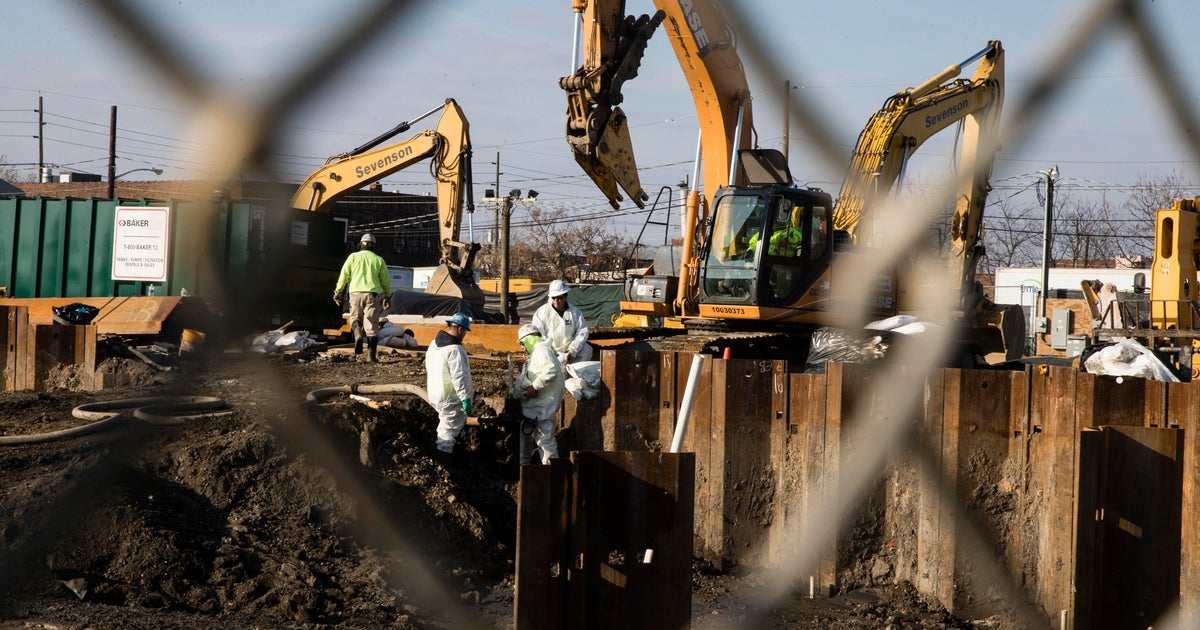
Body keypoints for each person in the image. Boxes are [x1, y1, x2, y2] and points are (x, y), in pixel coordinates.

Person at [333, 233, 391, 363]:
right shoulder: (379, 260)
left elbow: (344, 275)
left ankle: (358, 332)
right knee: (371, 325)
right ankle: (371, 356)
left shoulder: (353, 257)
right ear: (373, 246)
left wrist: (338, 291)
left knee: (354, 317)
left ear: (361, 244)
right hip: (372, 295)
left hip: (355, 294)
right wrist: (388, 296)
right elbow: (385, 281)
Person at [425, 312, 474, 465]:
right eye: (465, 331)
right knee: (448, 434)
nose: (464, 335)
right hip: (451, 397)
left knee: (444, 429)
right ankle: (443, 470)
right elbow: (459, 377)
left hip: (435, 394)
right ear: (460, 329)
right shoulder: (455, 350)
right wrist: (465, 398)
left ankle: (429, 456)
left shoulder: (434, 344)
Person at [513, 324, 564, 465]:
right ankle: (528, 468)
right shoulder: (540, 352)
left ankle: (551, 473)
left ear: (528, 339)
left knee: (544, 439)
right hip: (540, 405)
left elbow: (551, 371)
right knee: (533, 435)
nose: (522, 348)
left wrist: (534, 387)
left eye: (522, 343)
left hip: (542, 406)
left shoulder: (541, 351)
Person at [531, 279, 592, 366]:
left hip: (568, 349)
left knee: (586, 350)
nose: (556, 301)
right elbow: (538, 333)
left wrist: (572, 350)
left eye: (559, 298)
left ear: (565, 296)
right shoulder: (542, 312)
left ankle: (574, 374)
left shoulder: (575, 312)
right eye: (554, 298)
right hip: (551, 351)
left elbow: (582, 331)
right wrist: (549, 350)